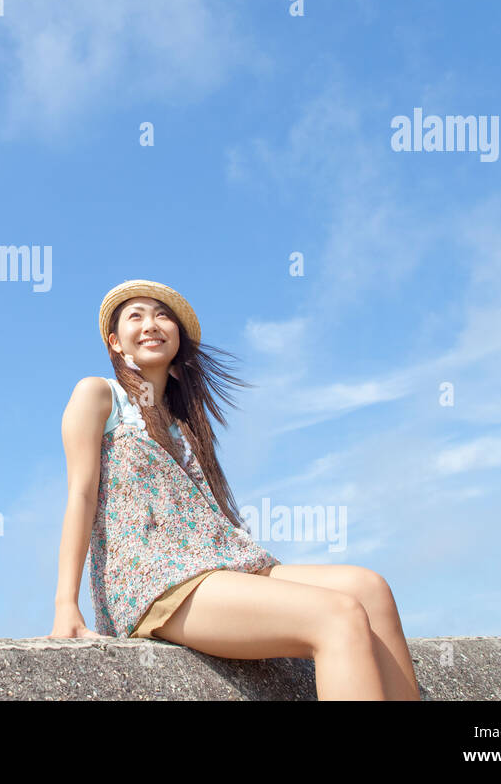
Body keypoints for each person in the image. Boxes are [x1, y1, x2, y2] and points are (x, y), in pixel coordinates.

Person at [48, 279, 420, 701]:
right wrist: (66, 606)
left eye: (162, 315)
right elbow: (80, 495)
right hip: (154, 580)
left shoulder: (183, 423)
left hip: (221, 564)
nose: (151, 324)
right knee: (338, 616)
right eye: (136, 316)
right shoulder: (98, 394)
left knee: (370, 589)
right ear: (115, 342)